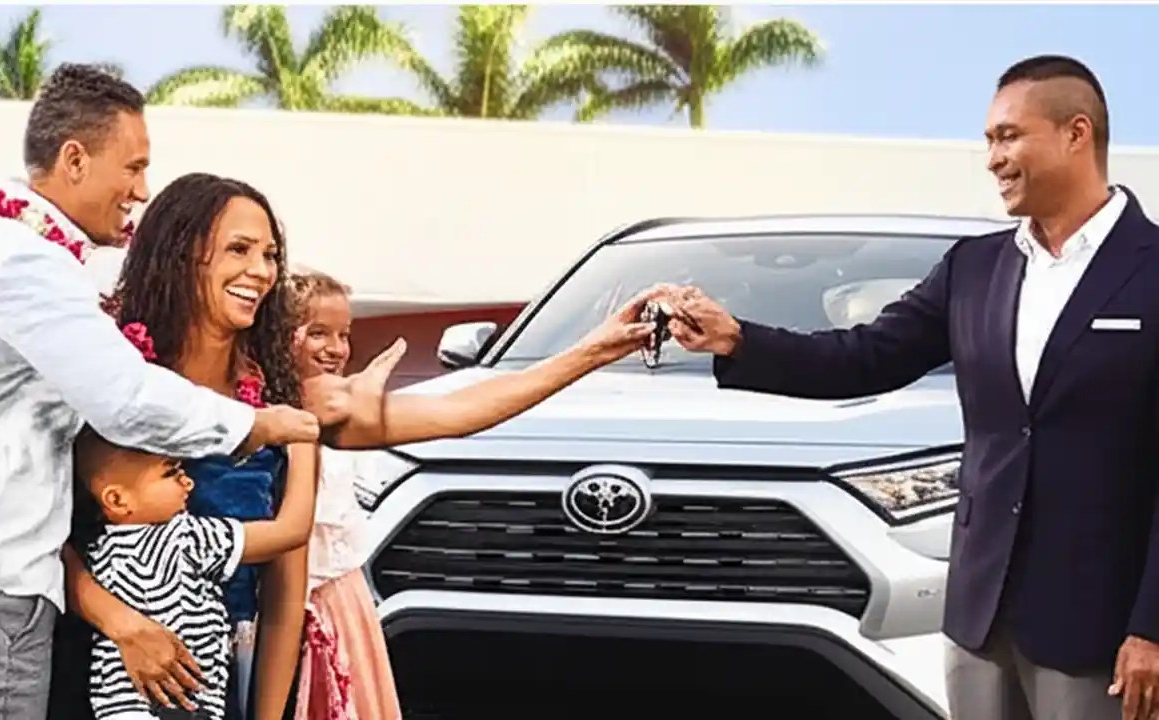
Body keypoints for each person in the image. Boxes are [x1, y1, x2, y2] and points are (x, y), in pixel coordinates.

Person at [658, 55, 1159, 720]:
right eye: (988, 140)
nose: (992, 159)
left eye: (1008, 136)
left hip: (1102, 632)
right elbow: (863, 357)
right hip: (980, 623)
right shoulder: (974, 269)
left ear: (1076, 133)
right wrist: (737, 339)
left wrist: (1152, 626)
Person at [0, 64, 320, 720]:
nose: (141, 190)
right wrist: (259, 426)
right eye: (133, 167)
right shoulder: (30, 264)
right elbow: (125, 399)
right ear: (75, 159)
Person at [51, 172, 409, 720]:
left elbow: (285, 595)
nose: (261, 271)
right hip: (99, 667)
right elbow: (50, 541)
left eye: (269, 254)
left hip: (224, 674)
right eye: (238, 249)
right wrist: (125, 626)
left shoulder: (278, 404)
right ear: (178, 254)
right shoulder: (108, 377)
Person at [283, 268, 663, 719]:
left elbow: (457, 411)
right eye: (315, 333)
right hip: (291, 615)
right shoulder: (273, 408)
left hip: (342, 607)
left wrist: (593, 351)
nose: (336, 349)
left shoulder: (334, 409)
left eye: (344, 334)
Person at [73, 427, 319, 720]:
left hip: (117, 707)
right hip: (183, 705)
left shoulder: (95, 551)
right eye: (171, 473)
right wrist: (304, 450)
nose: (188, 482)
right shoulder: (188, 537)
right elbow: (290, 532)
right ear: (116, 500)